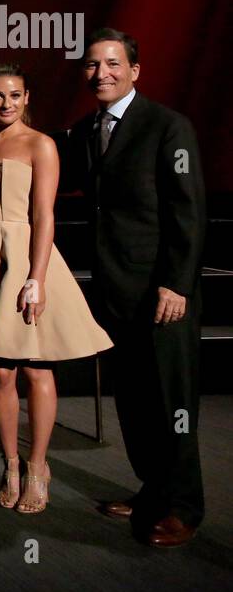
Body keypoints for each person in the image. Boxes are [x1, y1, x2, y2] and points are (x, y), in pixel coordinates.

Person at [62, 30, 205, 547]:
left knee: (173, 403)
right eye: (93, 64)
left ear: (135, 70)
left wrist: (177, 284)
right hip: (115, 292)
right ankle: (153, 491)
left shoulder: (168, 127)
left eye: (113, 63)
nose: (102, 73)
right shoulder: (85, 131)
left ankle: (183, 508)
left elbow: (187, 212)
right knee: (136, 402)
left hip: (163, 294)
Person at [0, 64, 111, 513]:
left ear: (28, 98)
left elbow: (45, 216)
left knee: (35, 368)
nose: (5, 103)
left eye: (14, 95)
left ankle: (38, 466)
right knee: (0, 372)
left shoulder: (42, 145)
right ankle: (9, 465)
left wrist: (36, 278)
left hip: (25, 257)